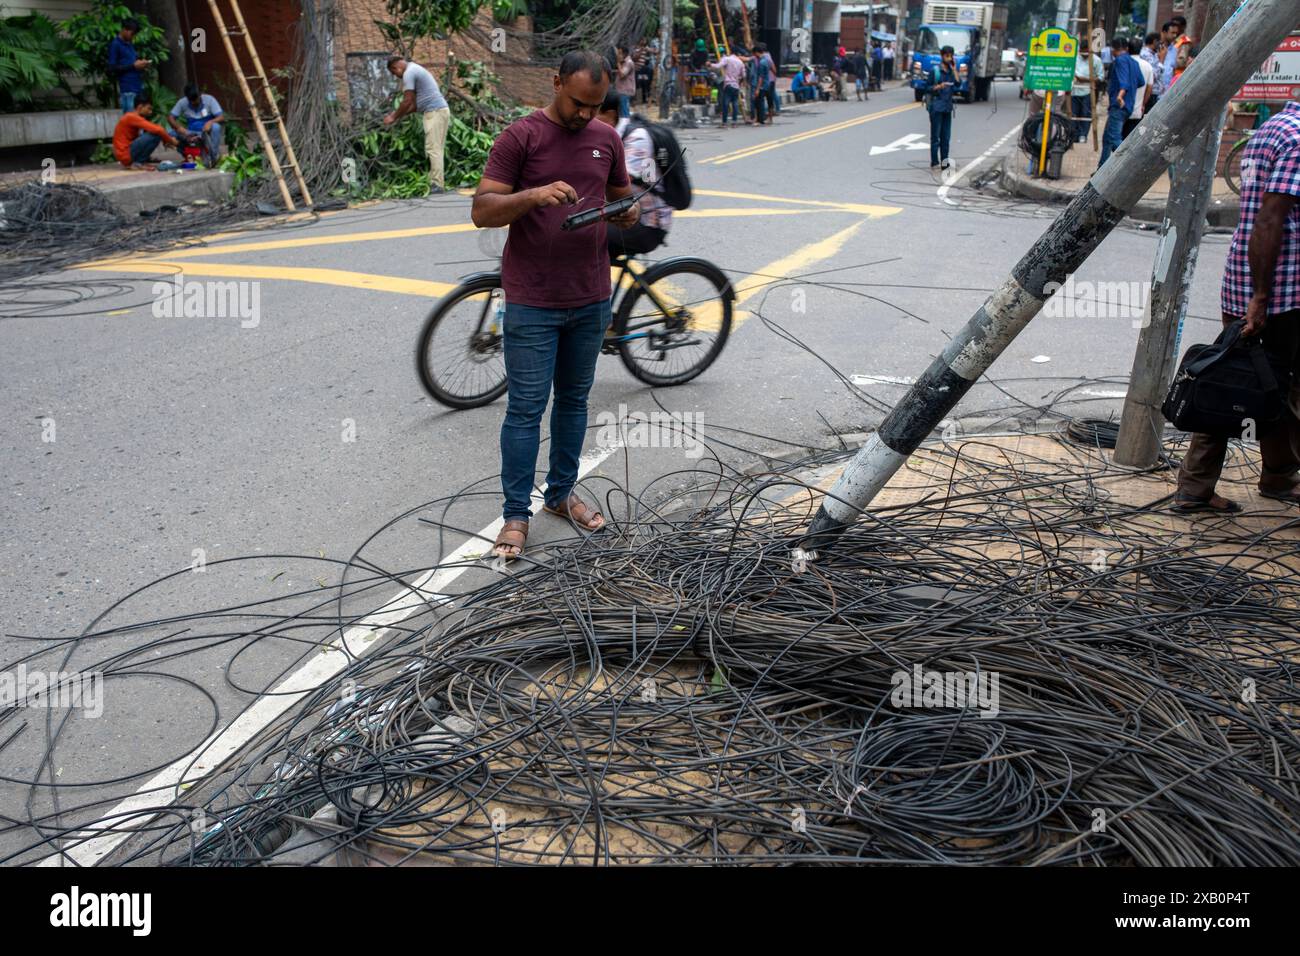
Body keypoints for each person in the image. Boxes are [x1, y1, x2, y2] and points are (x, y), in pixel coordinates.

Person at [471, 51, 639, 559]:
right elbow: (482, 211)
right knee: (524, 410)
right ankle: (515, 515)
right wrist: (534, 195)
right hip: (532, 298)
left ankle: (562, 495)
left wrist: (626, 214)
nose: (586, 115)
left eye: (596, 106)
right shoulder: (520, 137)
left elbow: (621, 198)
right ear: (556, 82)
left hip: (590, 296)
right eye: (578, 103)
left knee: (573, 402)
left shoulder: (606, 139)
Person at [1174, 99, 1300, 513]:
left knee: (1253, 380)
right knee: (1245, 383)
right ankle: (1206, 487)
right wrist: (1261, 298)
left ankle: (1276, 476)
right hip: (1278, 291)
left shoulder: (1270, 130)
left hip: (1246, 282)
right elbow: (1269, 219)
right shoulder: (1297, 138)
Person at [596, 91, 672, 257]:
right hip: (625, 215)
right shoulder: (613, 134)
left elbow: (616, 184)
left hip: (648, 222)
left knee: (584, 239)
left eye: (592, 112)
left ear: (609, 115)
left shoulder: (637, 139)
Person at [384, 56, 452, 193]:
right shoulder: (415, 69)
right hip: (437, 111)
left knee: (434, 149)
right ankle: (436, 181)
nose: (396, 76)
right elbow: (414, 105)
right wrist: (398, 117)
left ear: (396, 67)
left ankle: (437, 184)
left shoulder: (409, 72)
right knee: (433, 148)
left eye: (394, 73)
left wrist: (393, 116)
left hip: (435, 112)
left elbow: (407, 101)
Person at [1098, 36, 1143, 168]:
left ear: (1113, 49)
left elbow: (1124, 82)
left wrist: (1120, 95)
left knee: (1114, 138)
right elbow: (1141, 81)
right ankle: (1102, 168)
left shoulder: (1120, 60)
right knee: (1107, 137)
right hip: (1128, 105)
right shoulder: (1134, 62)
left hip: (1119, 105)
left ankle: (1132, 164)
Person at [112, 92, 177, 168]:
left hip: (125, 153)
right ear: (140, 107)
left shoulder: (133, 117)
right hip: (125, 154)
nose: (150, 112)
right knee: (156, 133)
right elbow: (159, 129)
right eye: (148, 108)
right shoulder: (132, 117)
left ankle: (141, 160)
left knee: (154, 133)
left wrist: (165, 140)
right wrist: (172, 141)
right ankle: (139, 162)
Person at [167, 84, 224, 167]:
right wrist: (179, 128)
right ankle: (189, 155)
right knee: (170, 134)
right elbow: (170, 118)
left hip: (205, 133)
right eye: (191, 101)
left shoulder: (210, 99)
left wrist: (210, 122)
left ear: (200, 94)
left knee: (216, 127)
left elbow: (221, 117)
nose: (194, 102)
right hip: (191, 133)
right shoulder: (182, 102)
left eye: (196, 99)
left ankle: (213, 156)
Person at [107, 18, 149, 114]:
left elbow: (132, 64)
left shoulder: (129, 44)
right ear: (125, 29)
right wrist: (133, 66)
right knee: (131, 120)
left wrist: (142, 65)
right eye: (132, 33)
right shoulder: (115, 44)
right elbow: (111, 68)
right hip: (127, 89)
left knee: (139, 120)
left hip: (137, 87)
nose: (133, 36)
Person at [926, 46, 958, 170]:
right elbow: (927, 88)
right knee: (936, 137)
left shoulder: (951, 71)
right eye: (947, 56)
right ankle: (934, 161)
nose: (949, 58)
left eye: (951, 56)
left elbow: (958, 83)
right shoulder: (935, 71)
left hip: (947, 108)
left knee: (946, 137)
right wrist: (938, 87)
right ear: (942, 56)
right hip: (936, 107)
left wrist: (955, 69)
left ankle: (945, 162)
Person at [1122, 36, 1154, 139]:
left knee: (1117, 139)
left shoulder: (1123, 63)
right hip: (1137, 110)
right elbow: (1149, 88)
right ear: (1141, 49)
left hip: (1121, 108)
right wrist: (1143, 103)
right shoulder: (1147, 66)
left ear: (1127, 48)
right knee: (1130, 139)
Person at [1071, 39, 1103, 143]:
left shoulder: (1096, 60)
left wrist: (1087, 80)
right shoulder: (1074, 58)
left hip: (1088, 91)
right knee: (1074, 114)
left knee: (1085, 113)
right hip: (1074, 90)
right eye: (1082, 51)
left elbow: (1101, 77)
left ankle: (1083, 134)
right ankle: (1073, 135)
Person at [708, 44, 745, 126]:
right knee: (735, 104)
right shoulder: (741, 62)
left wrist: (710, 64)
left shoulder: (727, 59)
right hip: (736, 85)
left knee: (725, 104)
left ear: (730, 52)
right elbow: (743, 75)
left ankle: (724, 122)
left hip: (728, 84)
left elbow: (718, 66)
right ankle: (734, 122)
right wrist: (739, 82)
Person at [1139, 31, 1166, 111]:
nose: (1161, 45)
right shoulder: (1146, 55)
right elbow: (1152, 76)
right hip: (1150, 94)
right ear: (1155, 41)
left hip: (1155, 93)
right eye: (1160, 42)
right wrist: (1161, 60)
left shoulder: (1153, 54)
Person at [614, 44, 636, 117]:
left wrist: (618, 63)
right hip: (621, 91)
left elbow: (622, 74)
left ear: (625, 54)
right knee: (623, 111)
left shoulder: (628, 62)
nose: (618, 55)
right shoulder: (623, 62)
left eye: (620, 53)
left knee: (624, 113)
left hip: (625, 91)